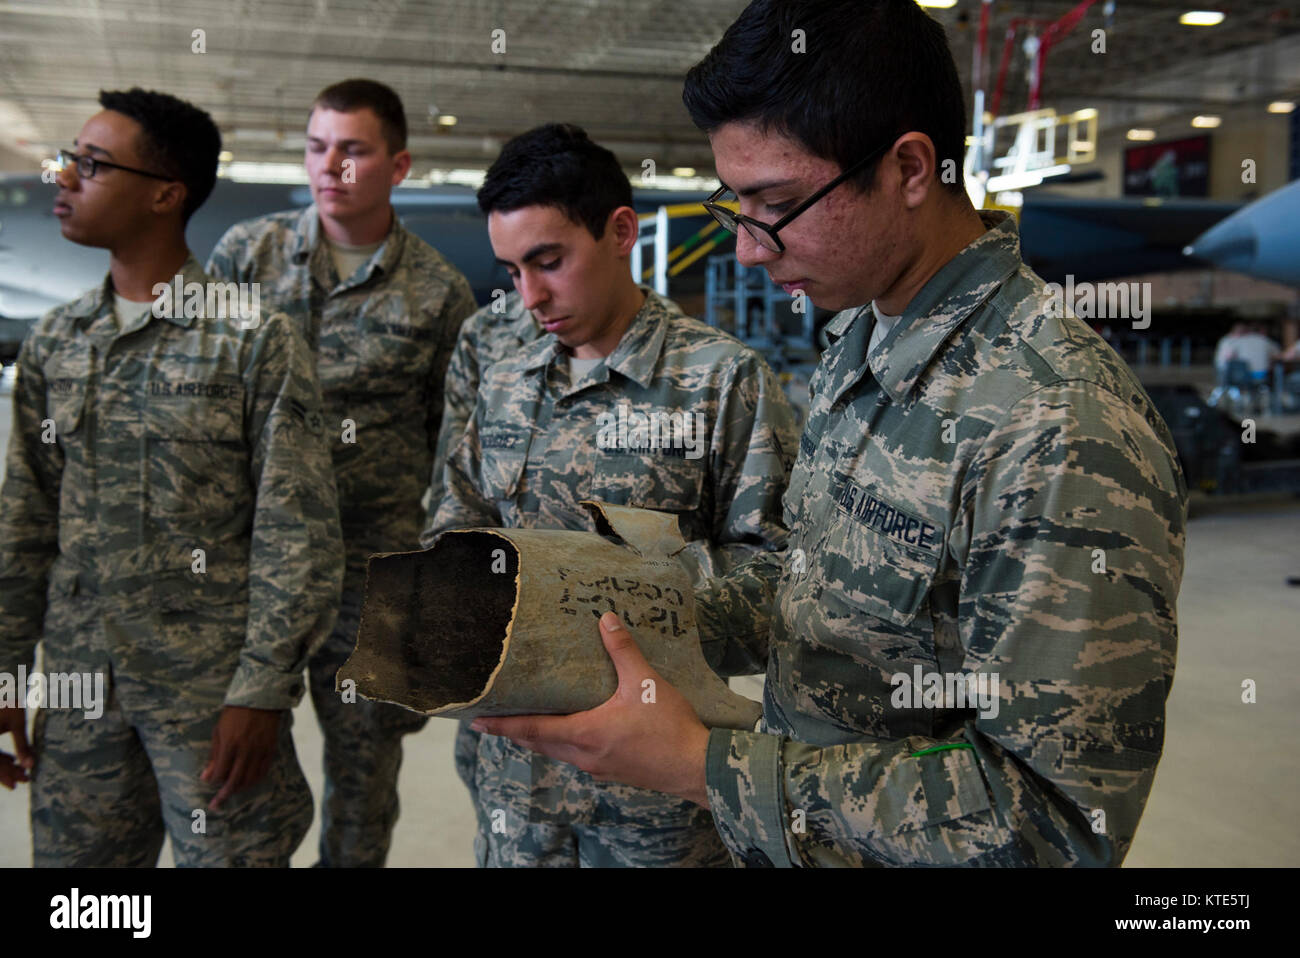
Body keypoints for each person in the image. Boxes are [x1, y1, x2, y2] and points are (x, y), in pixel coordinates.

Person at [472, 0, 1189, 868]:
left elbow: (1053, 823)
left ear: (911, 169)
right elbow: (816, 593)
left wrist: (710, 769)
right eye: (736, 204)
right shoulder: (865, 333)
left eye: (775, 202)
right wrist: (614, 611)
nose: (747, 249)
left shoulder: (1056, 422)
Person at [424, 123, 799, 867]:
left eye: (549, 261)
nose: (529, 295)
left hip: (656, 791)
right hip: (518, 785)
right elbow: (452, 527)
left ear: (620, 231)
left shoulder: (720, 382)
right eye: (511, 270)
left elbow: (782, 576)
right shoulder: (503, 384)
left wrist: (638, 620)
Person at [0, 88, 343, 866]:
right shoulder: (58, 341)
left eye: (90, 165)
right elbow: (23, 521)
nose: (64, 178)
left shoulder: (252, 341)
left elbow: (297, 535)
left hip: (209, 699)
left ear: (165, 193)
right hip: (84, 690)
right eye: (68, 159)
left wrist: (261, 690)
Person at [207, 78, 478, 868]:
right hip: (252, 570)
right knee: (237, 776)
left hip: (375, 582)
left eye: (353, 150)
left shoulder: (436, 291)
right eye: (318, 147)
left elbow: (449, 442)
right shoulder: (246, 258)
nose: (331, 166)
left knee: (364, 780)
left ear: (398, 166)